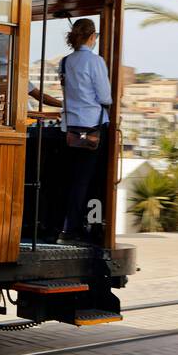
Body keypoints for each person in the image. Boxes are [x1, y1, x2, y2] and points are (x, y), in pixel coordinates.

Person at [58, 18, 113, 244]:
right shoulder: (95, 61)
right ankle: (77, 229)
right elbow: (105, 97)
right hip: (93, 128)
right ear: (92, 37)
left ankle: (67, 225)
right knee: (91, 180)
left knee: (73, 178)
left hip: (71, 127)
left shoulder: (65, 62)